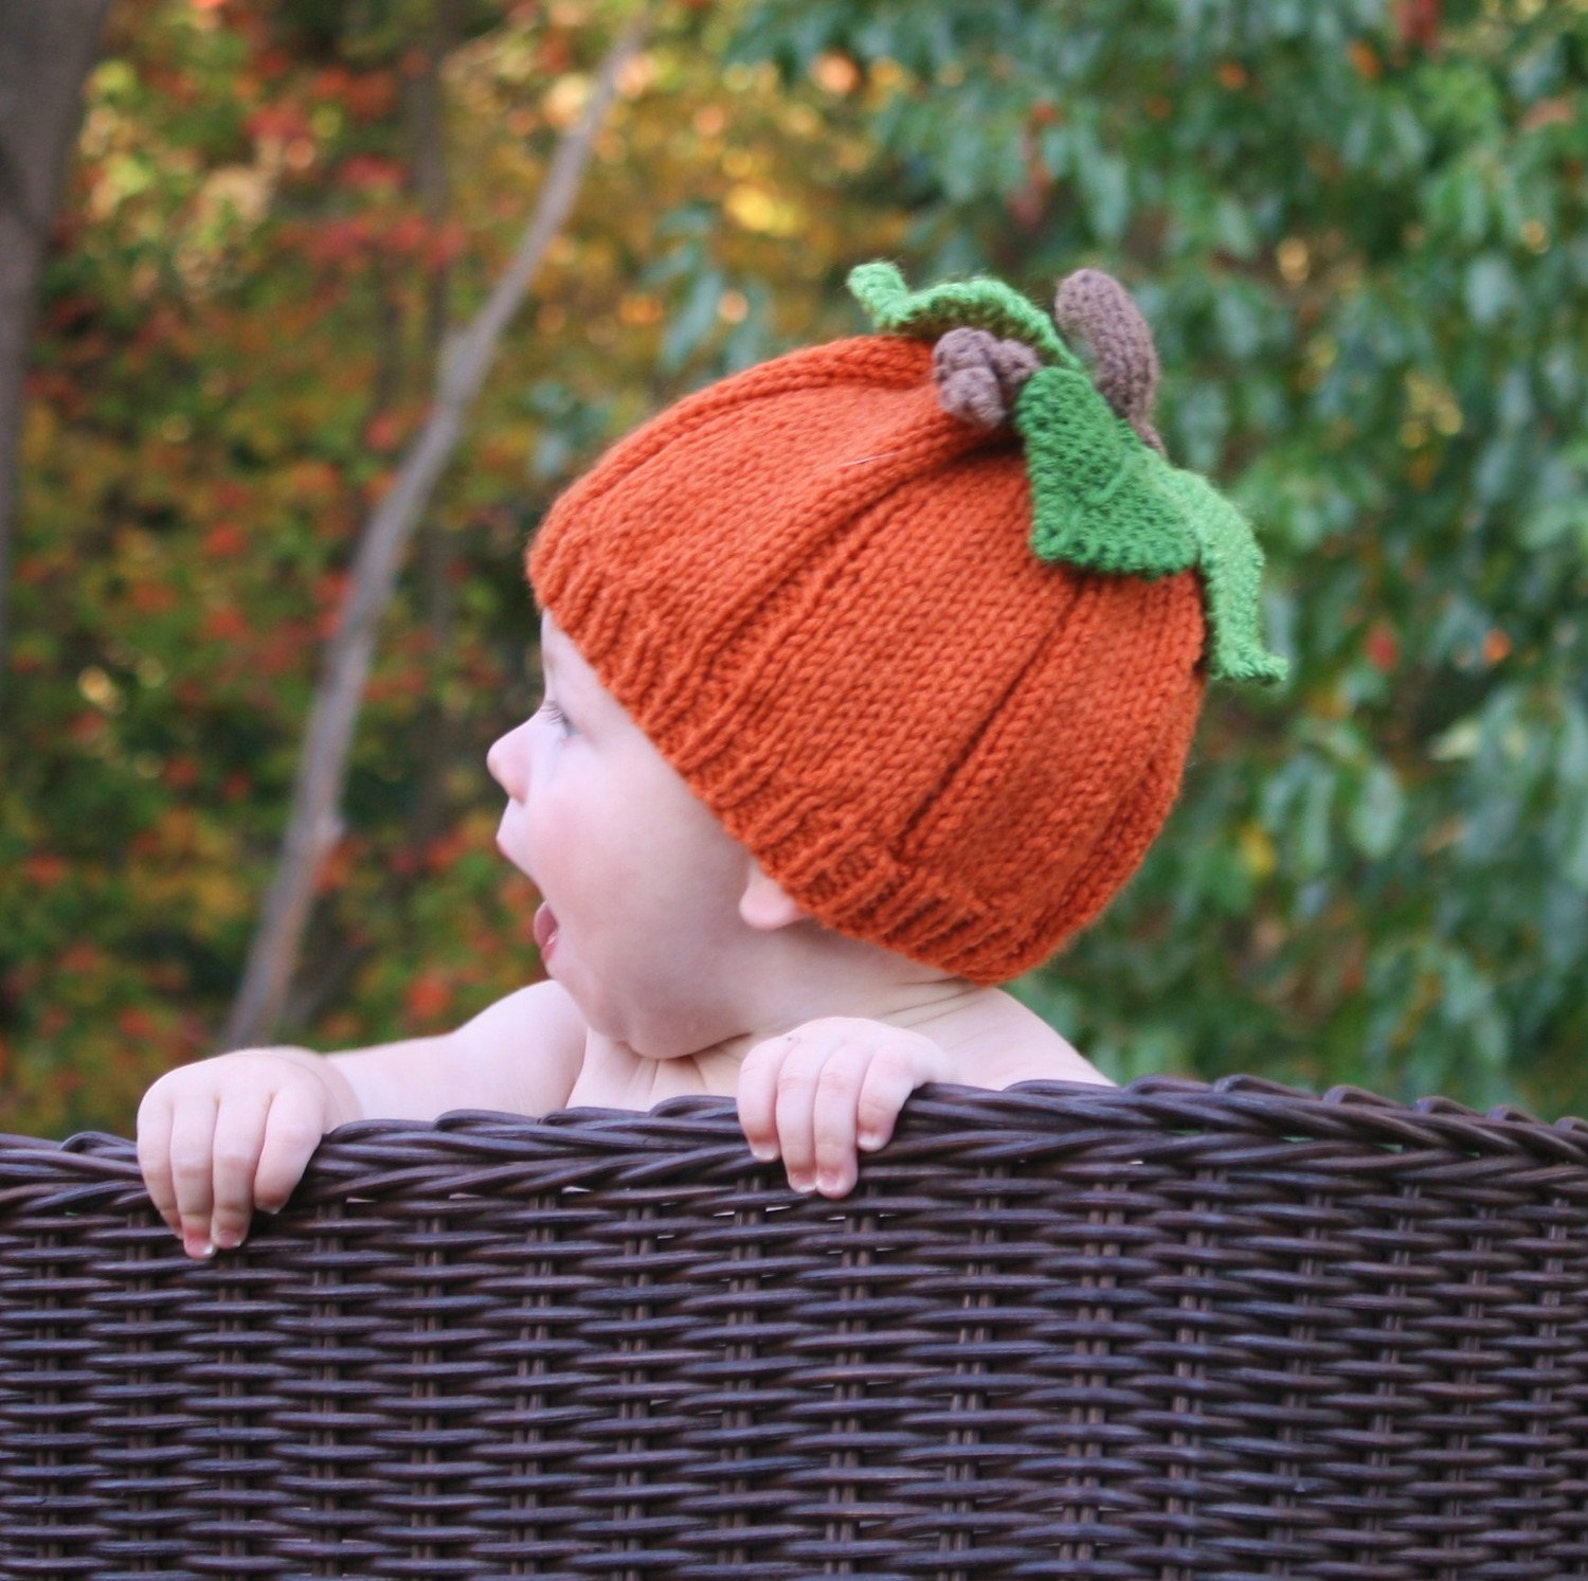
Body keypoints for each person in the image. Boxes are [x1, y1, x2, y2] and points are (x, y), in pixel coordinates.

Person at [137, 260, 1285, 1260]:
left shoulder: (981, 1069)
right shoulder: (563, 1048)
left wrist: (928, 1123)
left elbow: (1138, 1254)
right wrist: (287, 1093)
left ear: (780, 846)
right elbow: (381, 1103)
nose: (501, 753)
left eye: (566, 721)